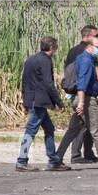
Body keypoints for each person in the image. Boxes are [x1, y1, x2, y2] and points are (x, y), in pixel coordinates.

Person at [57, 33, 98, 167]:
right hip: (86, 100)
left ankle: (57, 157)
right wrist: (82, 102)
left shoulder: (87, 59)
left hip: (81, 98)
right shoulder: (85, 60)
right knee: (97, 130)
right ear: (89, 46)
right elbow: (82, 83)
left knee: (72, 130)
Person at [17, 36, 68, 172]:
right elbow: (48, 83)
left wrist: (25, 100)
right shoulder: (45, 61)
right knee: (30, 131)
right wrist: (59, 102)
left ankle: (54, 160)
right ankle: (22, 161)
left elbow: (24, 81)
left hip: (32, 99)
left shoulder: (31, 59)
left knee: (49, 128)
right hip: (39, 102)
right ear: (51, 47)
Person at [62, 25, 98, 163]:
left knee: (82, 124)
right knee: (85, 125)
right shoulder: (86, 53)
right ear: (87, 36)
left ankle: (86, 153)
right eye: (95, 36)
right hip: (82, 92)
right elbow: (93, 75)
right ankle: (77, 155)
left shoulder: (73, 51)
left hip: (74, 90)